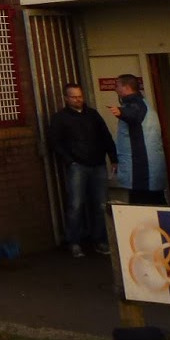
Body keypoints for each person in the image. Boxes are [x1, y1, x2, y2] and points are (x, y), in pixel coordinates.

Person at [48, 82, 116, 257]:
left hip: (97, 163)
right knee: (76, 204)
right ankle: (75, 241)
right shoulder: (60, 118)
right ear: (66, 98)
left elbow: (105, 135)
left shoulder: (92, 115)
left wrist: (113, 157)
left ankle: (99, 240)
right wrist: (70, 161)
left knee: (100, 205)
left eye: (80, 96)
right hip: (78, 165)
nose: (78, 100)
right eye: (74, 97)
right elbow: (55, 142)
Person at [110, 74, 167, 206]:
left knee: (142, 205)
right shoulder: (143, 103)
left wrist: (121, 112)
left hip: (141, 168)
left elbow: (134, 114)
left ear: (126, 87)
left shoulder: (135, 104)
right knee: (155, 202)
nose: (115, 89)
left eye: (117, 85)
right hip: (147, 167)